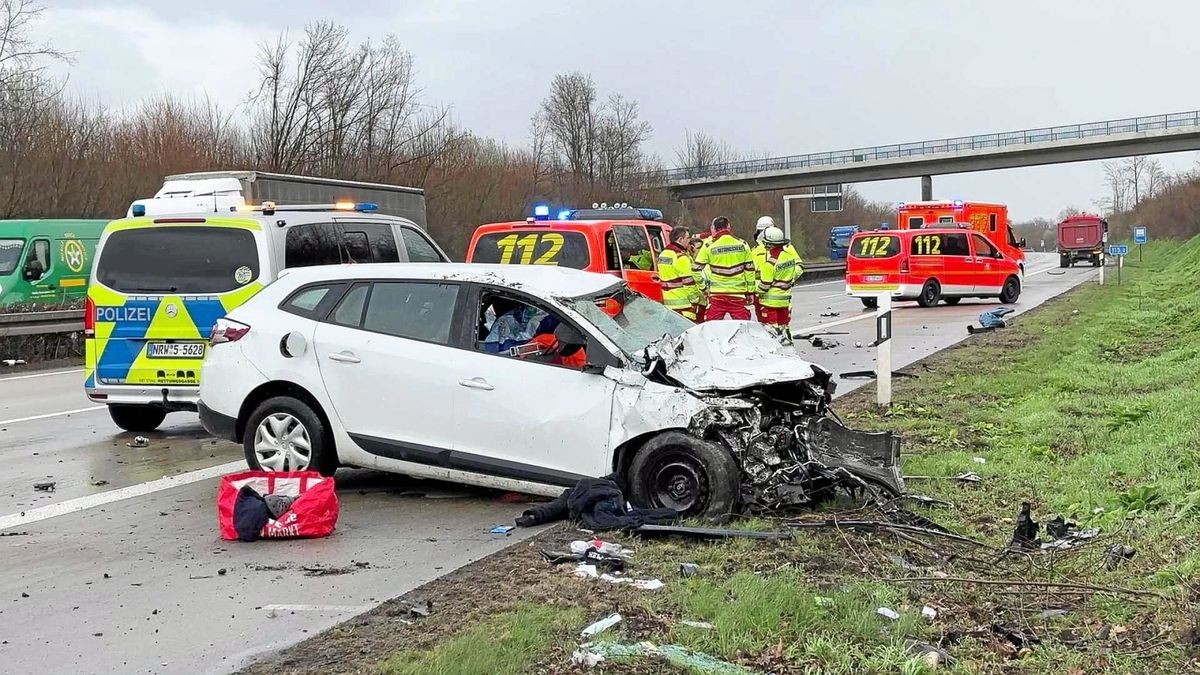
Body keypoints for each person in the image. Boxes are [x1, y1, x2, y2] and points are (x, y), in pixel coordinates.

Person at [694, 216, 754, 321]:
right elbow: (750, 271)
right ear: (729, 227)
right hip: (738, 295)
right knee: (742, 328)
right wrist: (750, 292)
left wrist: (703, 288)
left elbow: (695, 270)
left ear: (714, 229)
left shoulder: (709, 246)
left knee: (712, 329)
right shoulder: (743, 244)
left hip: (717, 296)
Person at [756, 227, 802, 343]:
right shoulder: (789, 258)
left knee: (771, 330)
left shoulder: (769, 263)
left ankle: (774, 351)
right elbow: (794, 273)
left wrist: (754, 291)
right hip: (784, 301)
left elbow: (765, 285)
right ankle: (787, 347)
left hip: (769, 303)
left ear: (768, 244)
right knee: (784, 327)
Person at [657, 227, 703, 320]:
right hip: (684, 305)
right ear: (680, 239)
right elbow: (689, 282)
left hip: (669, 304)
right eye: (687, 238)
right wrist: (696, 300)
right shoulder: (681, 258)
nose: (689, 241)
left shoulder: (663, 255)